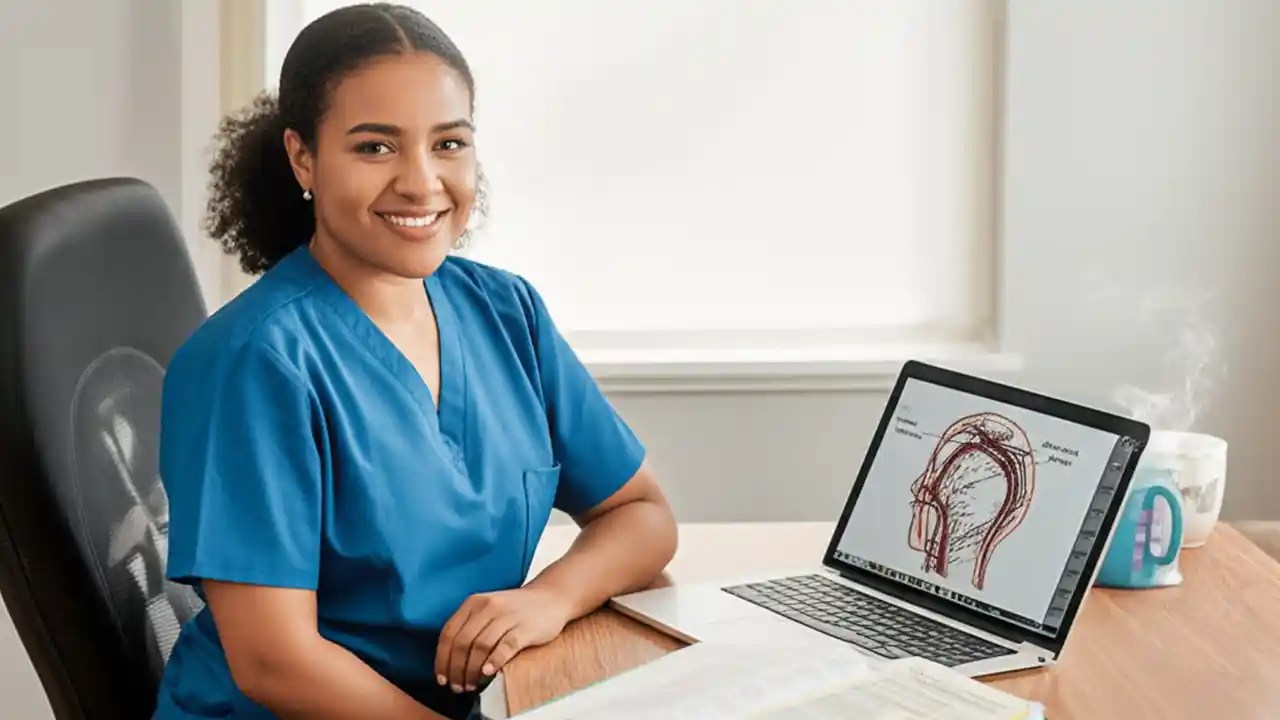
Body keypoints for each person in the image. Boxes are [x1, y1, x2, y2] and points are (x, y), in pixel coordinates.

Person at [153, 4, 678, 719]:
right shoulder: (254, 362)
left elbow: (641, 513)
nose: (421, 182)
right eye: (376, 147)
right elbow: (274, 661)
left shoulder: (507, 312)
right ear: (303, 157)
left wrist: (546, 600)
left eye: (449, 143)